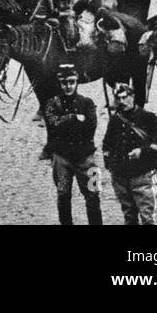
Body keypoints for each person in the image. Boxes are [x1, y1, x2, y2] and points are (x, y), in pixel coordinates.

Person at [43, 64, 103, 225]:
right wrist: (74, 118)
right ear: (60, 84)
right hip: (61, 160)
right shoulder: (51, 104)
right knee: (63, 195)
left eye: (71, 82)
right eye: (64, 83)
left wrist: (65, 123)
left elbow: (91, 126)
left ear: (77, 82)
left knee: (93, 195)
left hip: (87, 158)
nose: (68, 86)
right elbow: (53, 124)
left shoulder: (88, 103)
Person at [101, 81, 157, 225]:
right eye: (118, 98)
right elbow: (107, 144)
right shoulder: (115, 120)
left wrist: (142, 152)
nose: (122, 101)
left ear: (132, 96)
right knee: (129, 217)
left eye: (125, 97)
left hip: (142, 175)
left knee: (147, 218)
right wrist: (111, 166)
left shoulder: (148, 118)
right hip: (121, 176)